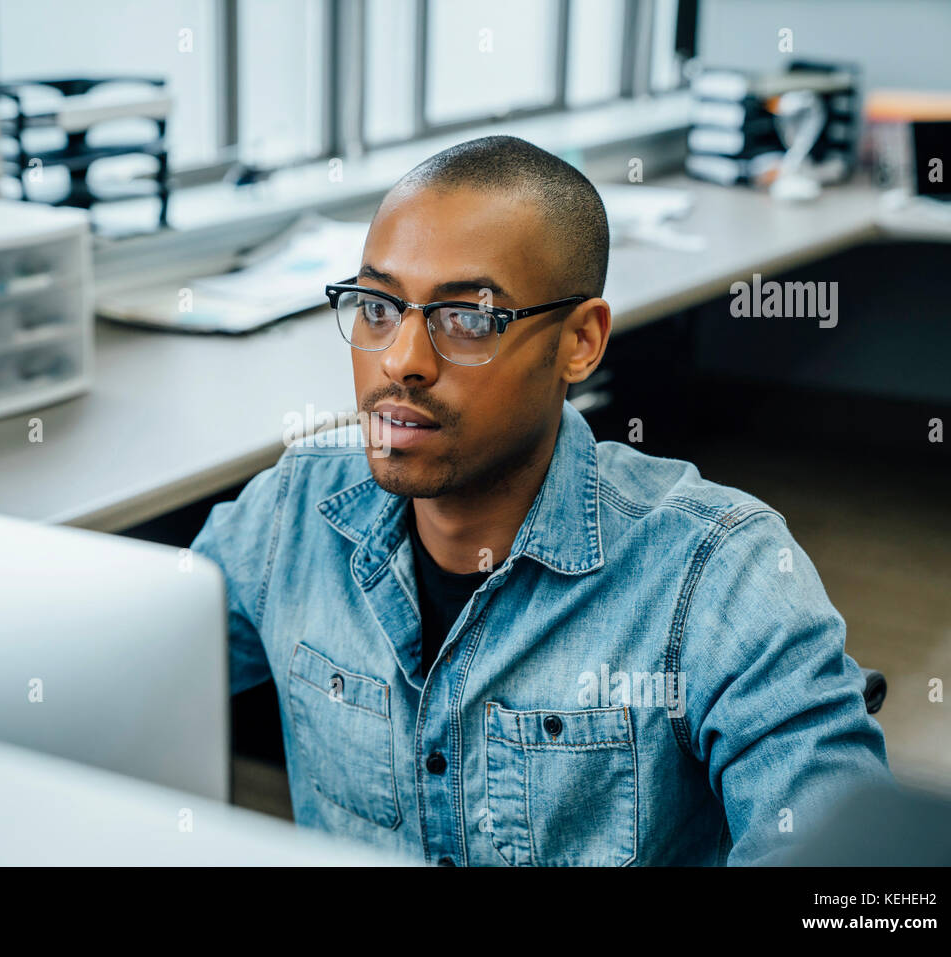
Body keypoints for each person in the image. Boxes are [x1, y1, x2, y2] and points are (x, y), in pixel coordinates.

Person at [191, 134, 892, 866]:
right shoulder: (291, 513)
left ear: (580, 342)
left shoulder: (716, 574)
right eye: (378, 306)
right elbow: (135, 666)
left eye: (468, 319)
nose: (401, 360)